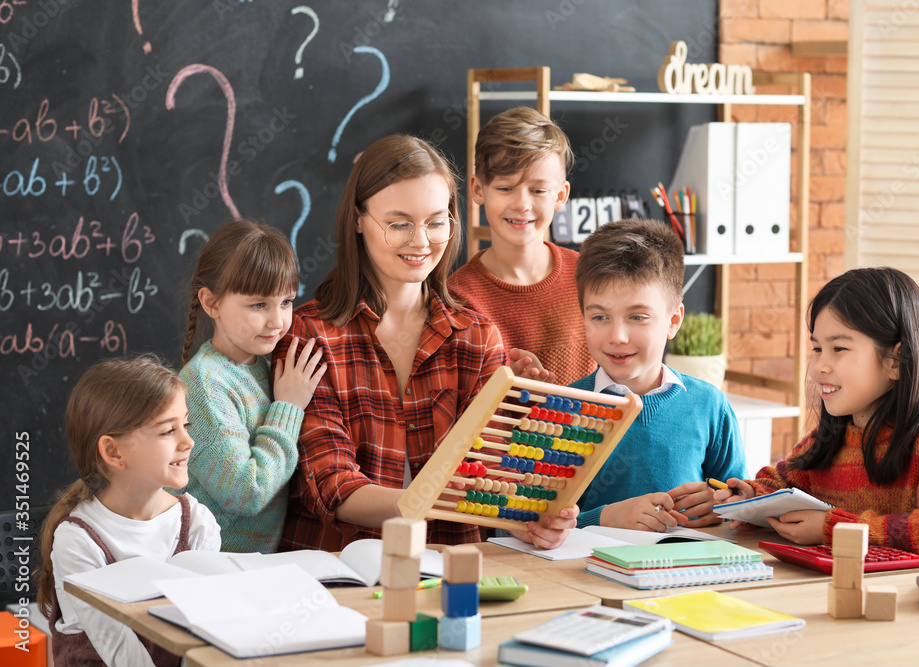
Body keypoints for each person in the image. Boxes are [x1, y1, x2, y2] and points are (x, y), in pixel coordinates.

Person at [273, 135, 577, 552]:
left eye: (436, 222)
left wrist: (528, 516)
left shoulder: (476, 337)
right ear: (358, 219)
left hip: (452, 570)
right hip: (337, 573)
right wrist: (446, 500)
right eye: (399, 223)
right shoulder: (308, 334)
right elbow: (332, 485)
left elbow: (492, 472)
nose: (420, 241)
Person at [713, 267, 919, 566]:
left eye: (838, 348)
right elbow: (779, 484)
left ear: (896, 360)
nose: (819, 366)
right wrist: (745, 499)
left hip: (913, 605)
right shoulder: (835, 434)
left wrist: (836, 528)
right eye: (817, 348)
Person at [38, 355, 221, 667]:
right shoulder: (78, 540)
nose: (188, 441)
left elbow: (205, 636)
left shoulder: (198, 524)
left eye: (185, 425)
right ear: (113, 451)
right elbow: (123, 655)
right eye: (168, 431)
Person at [570, 218, 747, 531]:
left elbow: (742, 504)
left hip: (684, 576)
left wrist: (722, 505)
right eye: (600, 317)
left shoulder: (709, 406)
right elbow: (533, 527)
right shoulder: (564, 409)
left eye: (637, 317)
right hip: (581, 576)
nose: (617, 337)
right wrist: (604, 518)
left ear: (673, 320)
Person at [179, 219, 325, 553]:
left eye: (286, 302)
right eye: (259, 305)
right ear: (211, 303)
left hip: (257, 565)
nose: (278, 321)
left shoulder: (266, 365)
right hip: (210, 571)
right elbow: (248, 491)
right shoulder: (203, 385)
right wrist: (288, 409)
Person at [448, 106, 595, 384]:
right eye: (505, 188)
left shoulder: (589, 277)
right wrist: (500, 391)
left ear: (560, 196)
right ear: (478, 190)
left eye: (538, 190)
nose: (521, 204)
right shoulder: (459, 299)